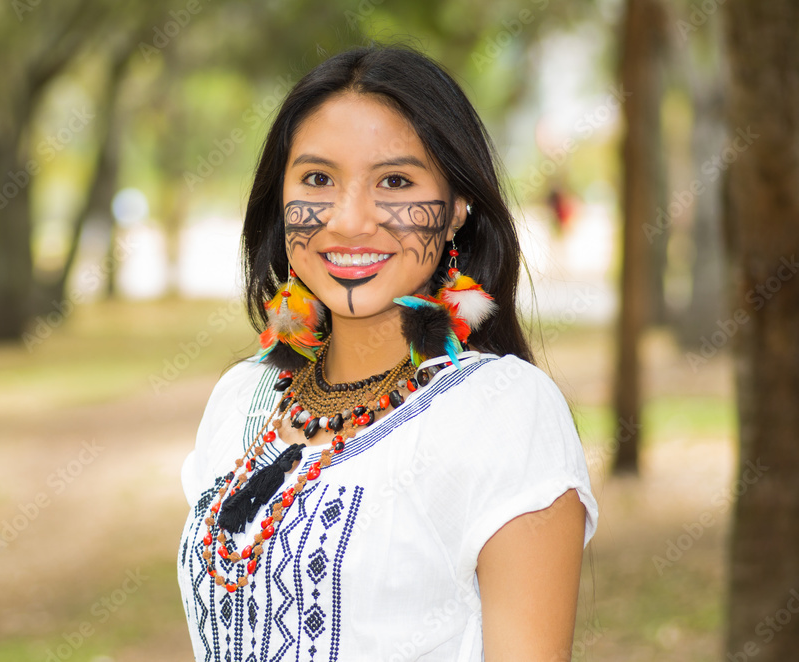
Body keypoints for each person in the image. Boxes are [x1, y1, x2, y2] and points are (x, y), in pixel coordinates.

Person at [177, 44, 598, 662]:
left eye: (395, 181)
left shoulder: (502, 411)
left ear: (456, 208)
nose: (350, 220)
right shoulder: (241, 399)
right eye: (318, 179)